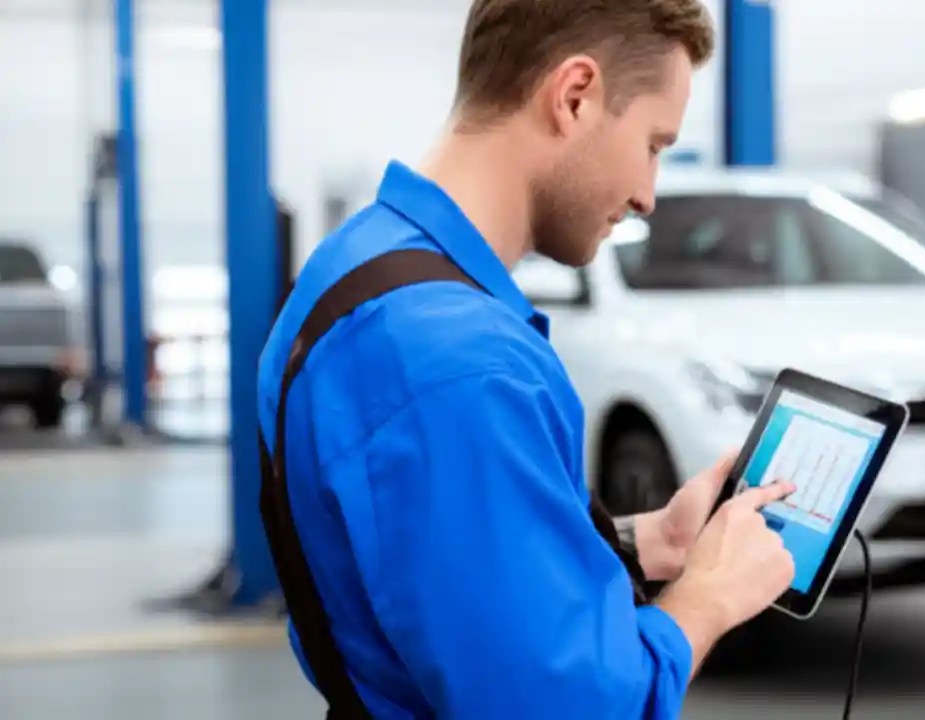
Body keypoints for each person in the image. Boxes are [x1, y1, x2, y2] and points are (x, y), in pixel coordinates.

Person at [256, 1, 796, 717]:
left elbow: (436, 574)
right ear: (575, 96)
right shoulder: (460, 362)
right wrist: (707, 598)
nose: (647, 196)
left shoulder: (357, 267)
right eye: (653, 144)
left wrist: (649, 540)